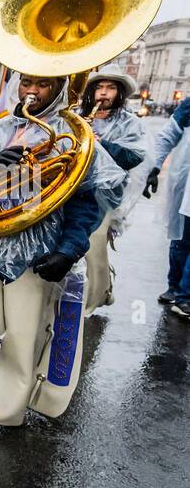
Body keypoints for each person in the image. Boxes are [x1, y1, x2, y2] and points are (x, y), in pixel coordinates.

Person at [0, 74, 125, 430]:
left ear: (60, 88)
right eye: (26, 83)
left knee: (25, 336)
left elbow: (88, 201)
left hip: (40, 251)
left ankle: (7, 409)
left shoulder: (77, 137)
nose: (32, 91)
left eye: (43, 84)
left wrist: (68, 249)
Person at [77, 71, 147, 314]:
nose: (104, 93)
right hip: (74, 191)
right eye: (99, 88)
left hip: (105, 196)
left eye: (110, 88)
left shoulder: (131, 123)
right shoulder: (79, 116)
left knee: (94, 246)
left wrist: (100, 144)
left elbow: (134, 156)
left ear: (119, 94)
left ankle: (92, 301)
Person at [144, 96, 190, 316]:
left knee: (183, 240)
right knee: (181, 239)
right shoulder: (188, 106)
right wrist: (154, 167)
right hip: (185, 184)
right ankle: (178, 290)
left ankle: (182, 294)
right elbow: (167, 136)